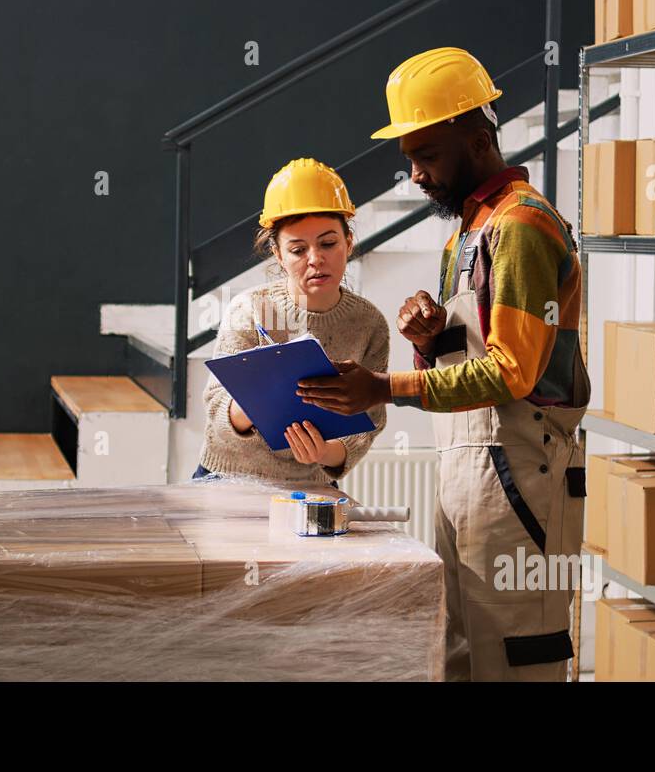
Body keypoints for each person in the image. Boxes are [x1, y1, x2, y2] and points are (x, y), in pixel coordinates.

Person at [296, 48, 590, 681]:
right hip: (472, 470)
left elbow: (513, 372)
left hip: (523, 475)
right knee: (458, 651)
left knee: (518, 658)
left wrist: (384, 385)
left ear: (477, 139)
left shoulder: (521, 227)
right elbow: (481, 356)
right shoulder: (469, 233)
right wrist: (431, 339)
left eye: (426, 156)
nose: (416, 176)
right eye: (410, 160)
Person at [195, 158, 389, 486]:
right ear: (279, 255)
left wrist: (323, 452)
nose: (316, 259)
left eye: (328, 243)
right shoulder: (251, 310)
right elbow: (216, 410)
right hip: (226, 479)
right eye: (298, 250)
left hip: (312, 486)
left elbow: (368, 422)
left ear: (349, 243)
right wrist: (257, 402)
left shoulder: (369, 324)